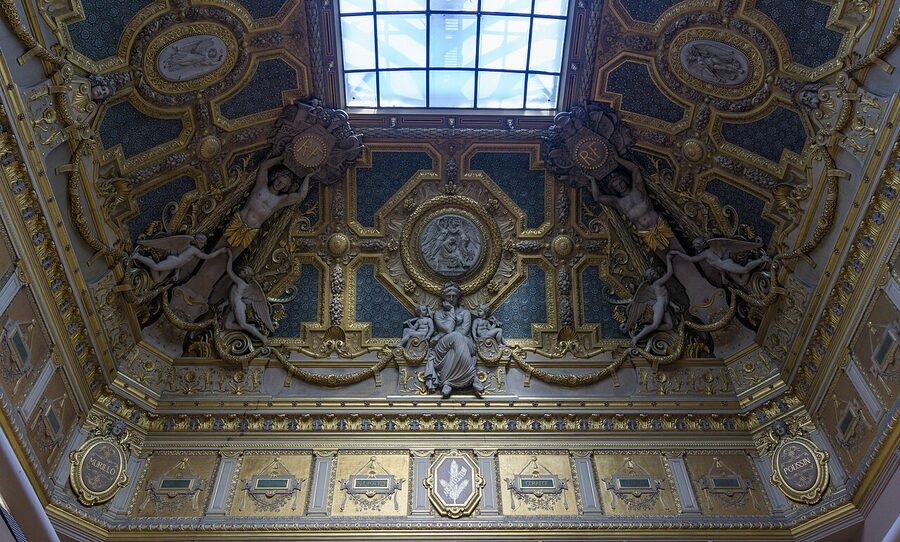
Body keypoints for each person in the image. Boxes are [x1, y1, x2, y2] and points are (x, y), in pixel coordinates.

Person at [223, 156, 313, 248]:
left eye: (283, 184)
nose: (279, 184)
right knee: (218, 247)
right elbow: (264, 166)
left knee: (231, 258)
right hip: (238, 221)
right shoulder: (261, 185)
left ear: (285, 187)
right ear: (275, 177)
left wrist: (308, 177)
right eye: (279, 180)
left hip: (251, 231)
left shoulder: (281, 200)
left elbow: (301, 196)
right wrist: (281, 157)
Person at [589, 157, 672, 250]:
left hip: (659, 224)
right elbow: (597, 198)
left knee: (678, 249)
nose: (620, 187)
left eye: (620, 183)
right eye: (616, 186)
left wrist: (617, 158)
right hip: (646, 233)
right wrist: (592, 180)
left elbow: (635, 169)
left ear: (625, 181)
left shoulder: (637, 188)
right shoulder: (617, 202)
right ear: (614, 189)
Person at [424, 282, 483, 398]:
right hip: (443, 344)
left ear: (458, 298)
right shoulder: (438, 313)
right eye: (448, 296)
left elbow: (464, 331)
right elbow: (448, 329)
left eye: (454, 296)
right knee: (455, 337)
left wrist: (448, 330)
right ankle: (473, 377)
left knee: (457, 340)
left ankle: (447, 382)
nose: (451, 299)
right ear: (443, 298)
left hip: (465, 342)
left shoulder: (465, 312)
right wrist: (451, 311)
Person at [131, 233, 225, 282]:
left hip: (175, 264)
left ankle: (150, 260)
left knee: (157, 280)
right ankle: (137, 256)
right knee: (156, 267)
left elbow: (181, 261)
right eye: (203, 241)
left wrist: (176, 273)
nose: (204, 243)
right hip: (174, 261)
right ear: (199, 241)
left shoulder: (189, 249)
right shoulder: (194, 250)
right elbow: (207, 256)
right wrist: (220, 251)